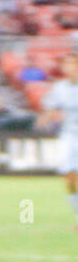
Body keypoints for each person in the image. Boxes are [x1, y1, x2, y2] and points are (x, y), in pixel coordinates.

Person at [42, 53, 78, 228]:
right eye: (67, 64)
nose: (70, 68)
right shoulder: (59, 88)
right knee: (69, 176)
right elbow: (51, 109)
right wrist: (42, 122)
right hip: (69, 136)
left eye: (73, 64)